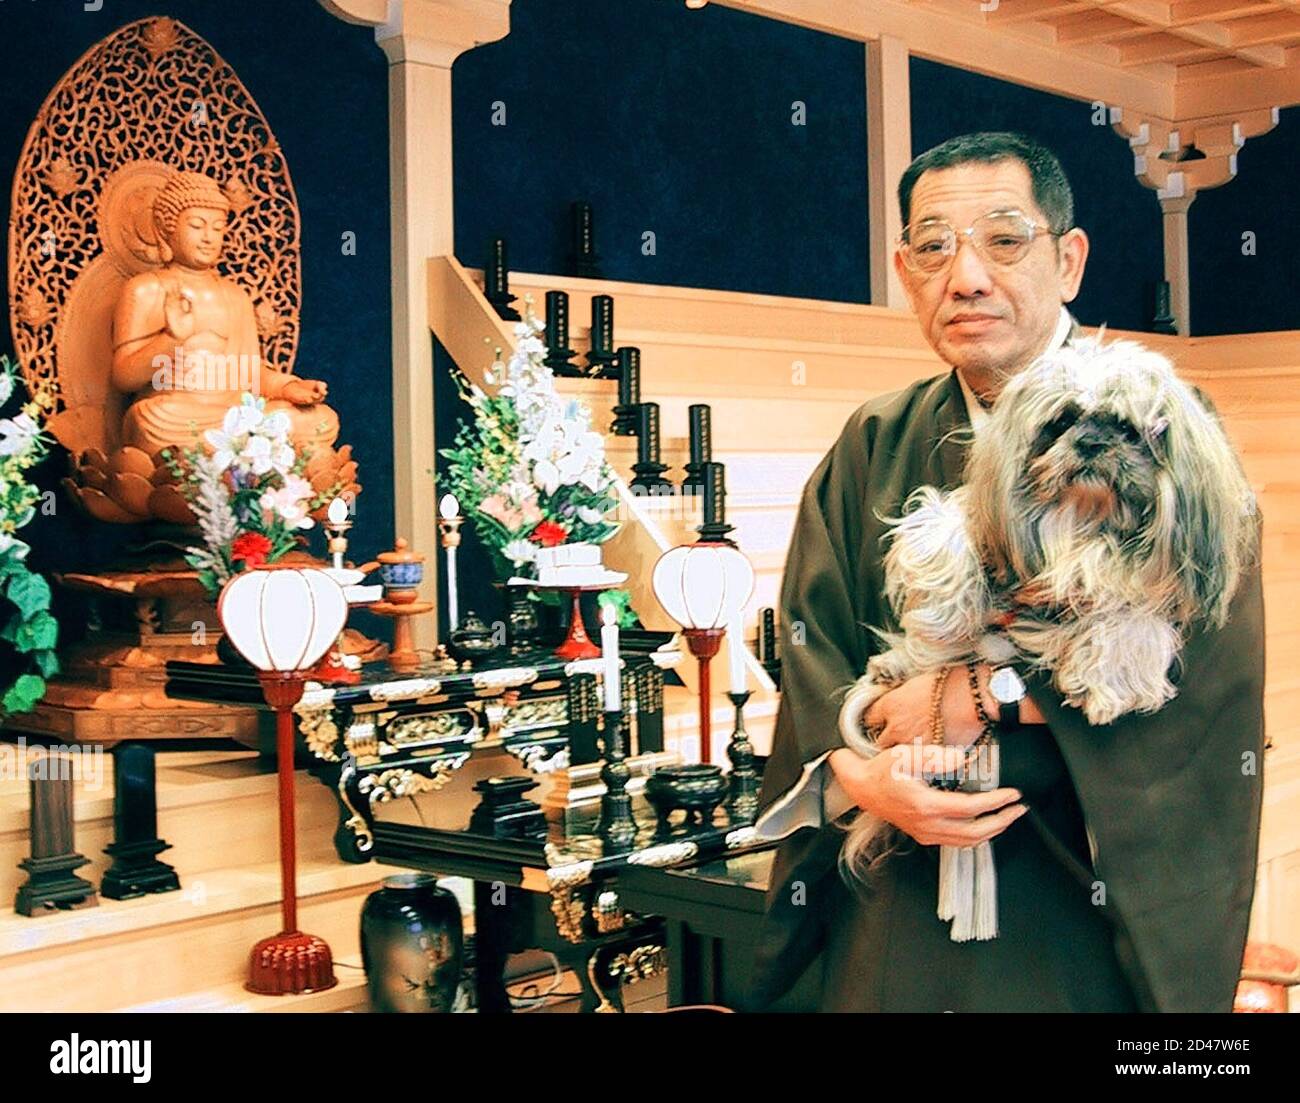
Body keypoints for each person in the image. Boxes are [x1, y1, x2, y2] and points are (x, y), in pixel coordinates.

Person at [748, 132, 1265, 1013]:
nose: (968, 276)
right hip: (896, 890)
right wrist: (860, 772)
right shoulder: (874, 441)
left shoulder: (1169, 424)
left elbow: (1200, 676)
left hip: (1074, 883)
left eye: (1004, 239)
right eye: (934, 246)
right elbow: (811, 646)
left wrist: (985, 694)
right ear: (905, 271)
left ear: (1068, 259)